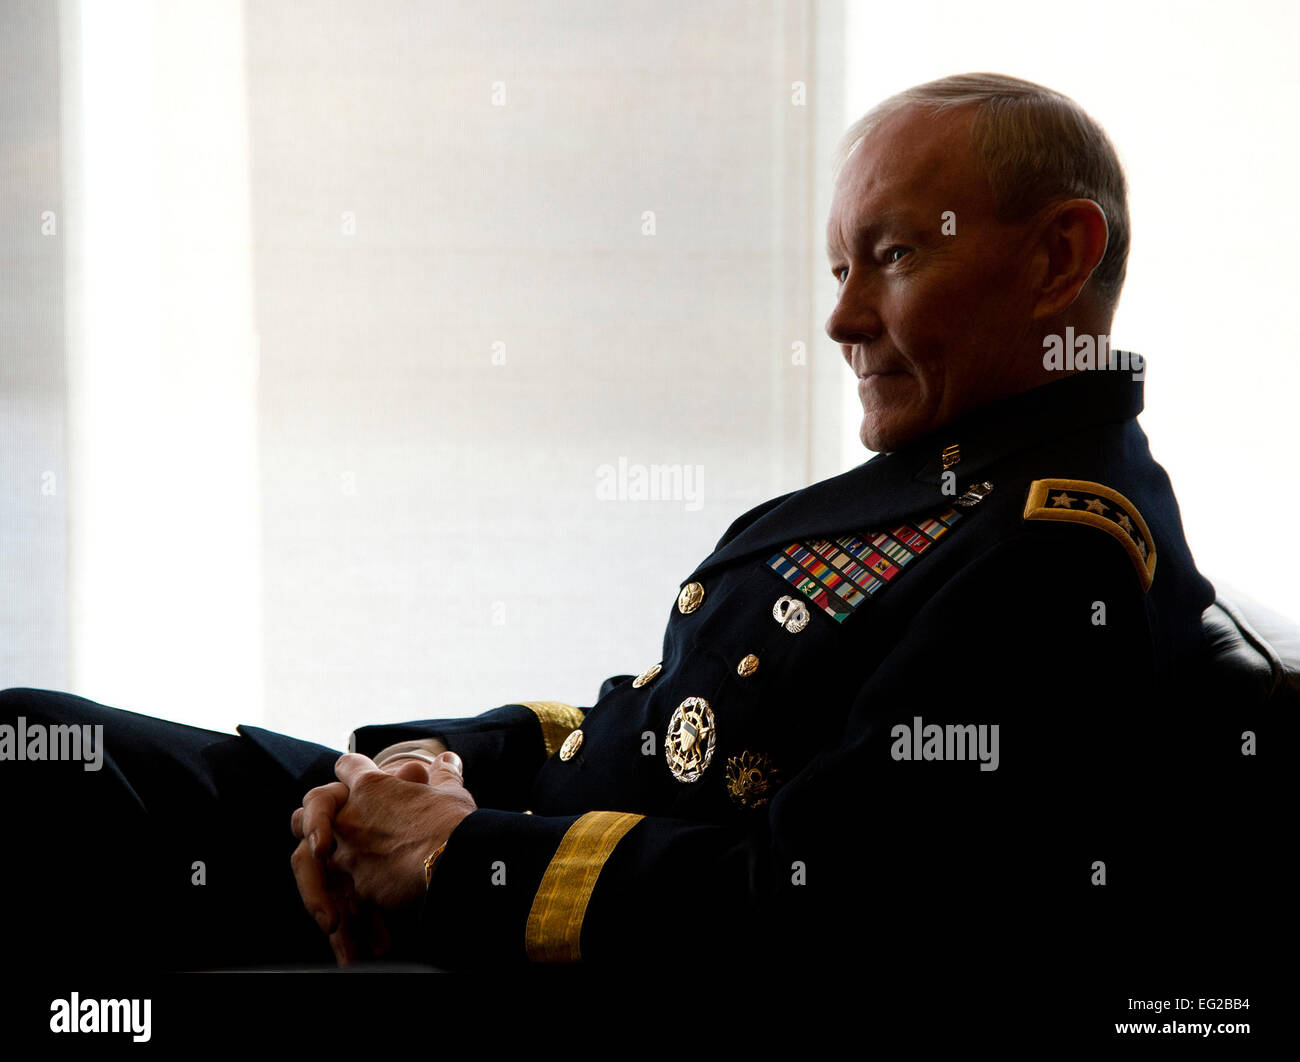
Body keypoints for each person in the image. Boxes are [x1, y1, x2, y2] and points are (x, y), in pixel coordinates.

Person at [0, 73, 1254, 983]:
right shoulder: (956, 486)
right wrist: (433, 765)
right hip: (498, 844)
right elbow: (668, 723)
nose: (842, 321)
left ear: (1057, 259)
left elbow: (814, 910)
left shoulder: (1056, 560)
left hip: (527, 955)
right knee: (36, 749)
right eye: (839, 270)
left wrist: (450, 856)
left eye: (889, 259)